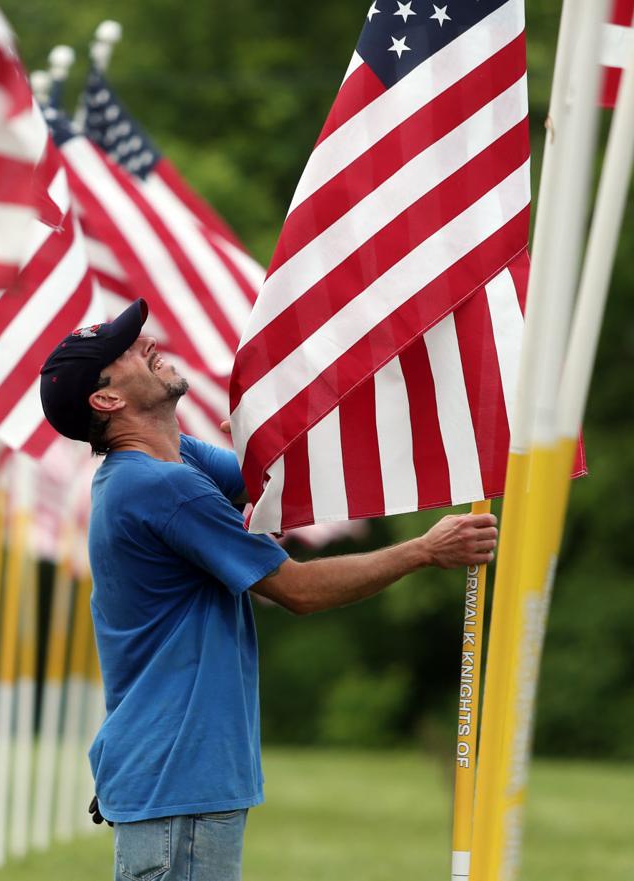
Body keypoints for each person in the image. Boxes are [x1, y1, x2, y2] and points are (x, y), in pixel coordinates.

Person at [38, 300, 499, 881]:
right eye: (125, 351)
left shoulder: (171, 466)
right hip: (179, 778)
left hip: (176, 777)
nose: (147, 344)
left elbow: (284, 477)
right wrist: (425, 550)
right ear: (106, 400)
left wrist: (271, 437)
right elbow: (298, 589)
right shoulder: (162, 486)